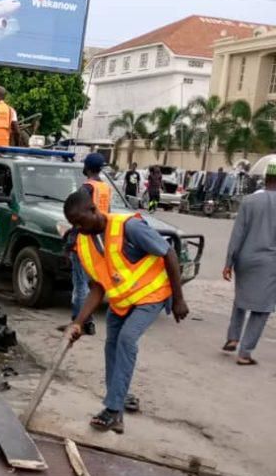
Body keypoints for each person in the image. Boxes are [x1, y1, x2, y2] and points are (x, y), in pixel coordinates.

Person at [63, 188, 189, 433]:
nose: (79, 227)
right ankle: (116, 411)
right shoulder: (84, 242)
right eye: (74, 224)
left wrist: (179, 299)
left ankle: (111, 408)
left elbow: (169, 252)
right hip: (121, 301)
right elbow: (98, 287)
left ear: (93, 209)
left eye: (80, 221)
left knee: (127, 339)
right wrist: (78, 321)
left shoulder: (128, 227)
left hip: (152, 294)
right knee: (111, 346)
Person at [221, 163, 276, 365]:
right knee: (262, 308)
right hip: (270, 263)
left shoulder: (249, 201)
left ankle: (233, 337)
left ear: (265, 178)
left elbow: (238, 234)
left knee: (242, 298)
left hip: (245, 259)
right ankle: (245, 353)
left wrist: (229, 262)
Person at [63, 153, 113, 336]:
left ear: (87, 168)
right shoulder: (105, 188)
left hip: (83, 240)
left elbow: (78, 220)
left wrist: (69, 245)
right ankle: (87, 321)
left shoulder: (86, 188)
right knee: (92, 283)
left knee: (80, 284)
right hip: (98, 240)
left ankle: (80, 321)